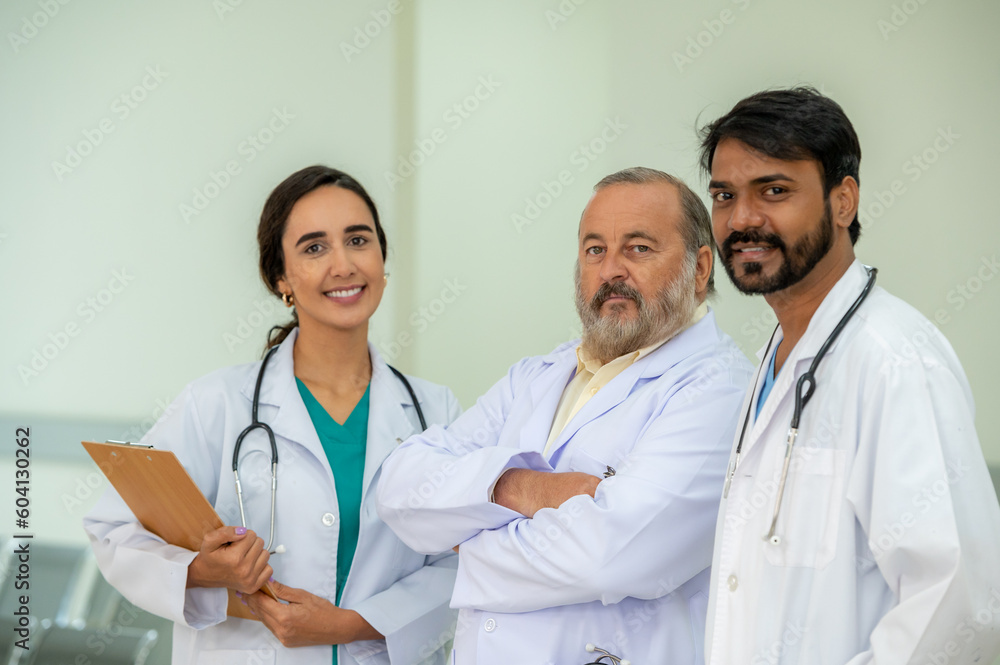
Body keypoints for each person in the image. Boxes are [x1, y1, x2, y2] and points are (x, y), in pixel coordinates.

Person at [84, 165, 461, 665]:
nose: (343, 264)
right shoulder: (216, 404)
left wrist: (349, 626)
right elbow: (114, 530)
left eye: (358, 239)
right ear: (280, 277)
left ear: (382, 260)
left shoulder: (434, 412)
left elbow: (462, 568)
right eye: (314, 247)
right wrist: (201, 571)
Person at [377, 167, 753, 664]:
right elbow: (401, 487)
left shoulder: (720, 390)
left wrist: (466, 543)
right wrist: (523, 488)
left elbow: (609, 557)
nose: (611, 269)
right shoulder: (540, 375)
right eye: (595, 249)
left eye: (638, 248)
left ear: (700, 268)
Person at [699, 87, 1000, 664]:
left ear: (843, 202)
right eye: (724, 195)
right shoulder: (778, 355)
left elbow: (959, 601)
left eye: (775, 191)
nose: (742, 219)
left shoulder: (895, 360)